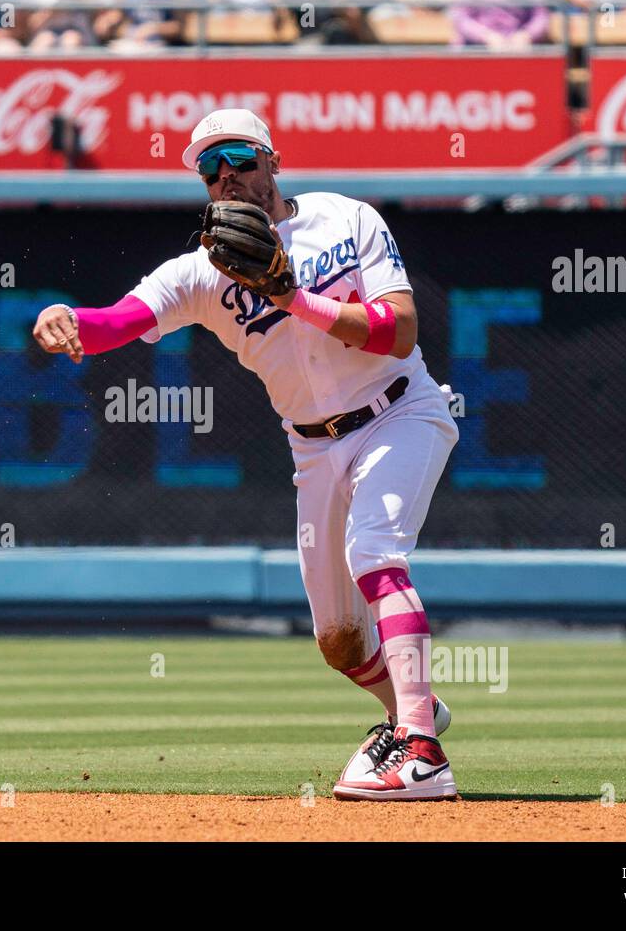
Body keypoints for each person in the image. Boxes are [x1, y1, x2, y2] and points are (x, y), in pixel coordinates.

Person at [30, 109, 459, 800]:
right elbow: (120, 321)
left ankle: (422, 752)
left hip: (400, 411)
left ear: (273, 159)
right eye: (209, 167)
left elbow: (400, 332)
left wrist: (292, 297)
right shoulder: (199, 271)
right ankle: (412, 710)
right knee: (340, 644)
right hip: (314, 446)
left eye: (237, 156)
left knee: (376, 551)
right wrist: (67, 321)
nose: (225, 174)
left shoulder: (347, 220)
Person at [18, 0, 121, 49]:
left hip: (80, 32)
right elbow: (25, 26)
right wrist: (51, 12)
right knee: (45, 41)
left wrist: (79, 1)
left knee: (71, 39)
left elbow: (109, 4)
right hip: (43, 32)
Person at [451, 0, 549, 48]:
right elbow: (461, 18)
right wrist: (486, 36)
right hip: (474, 51)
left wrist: (527, 35)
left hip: (517, 52)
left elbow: (540, 16)